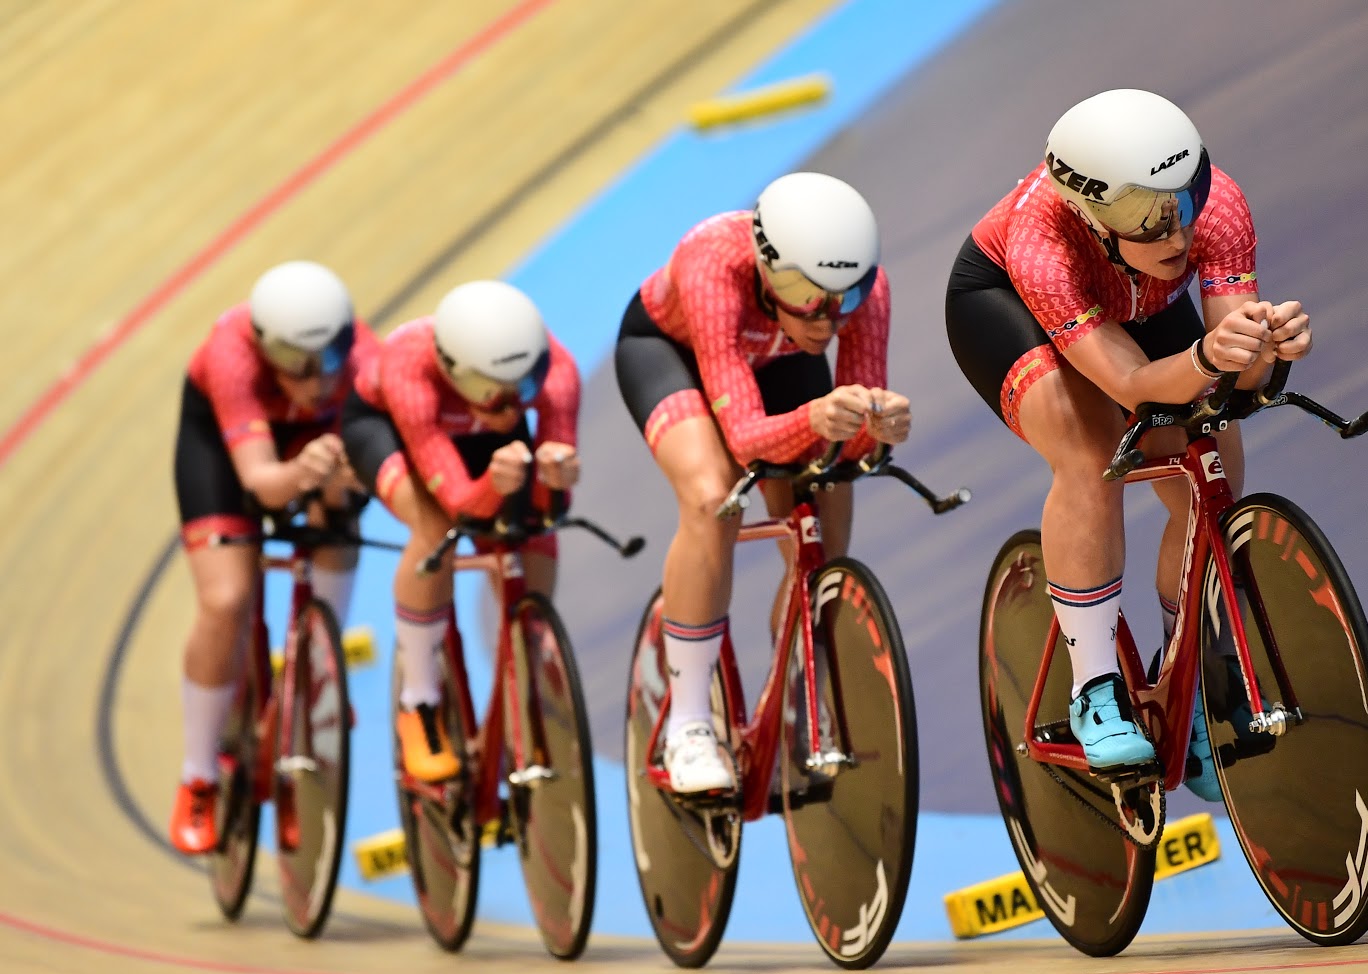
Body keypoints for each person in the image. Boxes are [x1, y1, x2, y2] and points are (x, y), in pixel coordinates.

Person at [944, 89, 1314, 800]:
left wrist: (1268, 346)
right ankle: (1095, 690)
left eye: (1182, 197)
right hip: (1012, 306)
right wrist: (1211, 360)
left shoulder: (1219, 204)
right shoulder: (1042, 243)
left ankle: (1189, 673)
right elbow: (1136, 384)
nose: (1174, 233)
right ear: (1088, 213)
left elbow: (1237, 361)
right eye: (1146, 217)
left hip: (1137, 303)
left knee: (1213, 452)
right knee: (1091, 457)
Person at [614, 171, 911, 794]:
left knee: (826, 501)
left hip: (780, 364)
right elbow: (746, 437)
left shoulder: (862, 291)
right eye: (806, 293)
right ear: (767, 265)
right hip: (675, 356)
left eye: (843, 297)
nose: (828, 318)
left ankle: (801, 675)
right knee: (712, 497)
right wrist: (816, 419)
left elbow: (850, 444)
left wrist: (878, 427)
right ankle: (689, 723)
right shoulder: (713, 262)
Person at [170, 260, 378, 853]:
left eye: (329, 359)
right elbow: (261, 484)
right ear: (266, 351)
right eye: (298, 368)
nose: (317, 381)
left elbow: (377, 469)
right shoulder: (229, 356)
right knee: (227, 598)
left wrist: (341, 482)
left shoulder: (368, 359)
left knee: (336, 523)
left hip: (317, 447)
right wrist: (299, 472)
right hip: (234, 453)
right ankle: (198, 775)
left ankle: (316, 676)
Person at [341, 279, 580, 783]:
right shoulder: (409, 368)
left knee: (533, 535)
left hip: (483, 446)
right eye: (494, 393)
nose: (513, 407)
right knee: (437, 531)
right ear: (455, 373)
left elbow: (551, 506)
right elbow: (459, 502)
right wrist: (496, 485)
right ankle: (419, 702)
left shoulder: (556, 372)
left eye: (524, 389)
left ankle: (515, 694)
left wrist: (555, 483)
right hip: (390, 433)